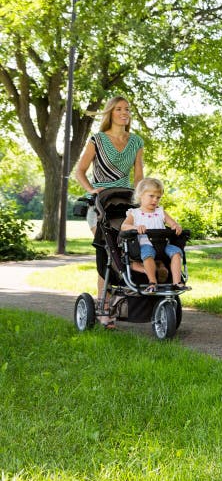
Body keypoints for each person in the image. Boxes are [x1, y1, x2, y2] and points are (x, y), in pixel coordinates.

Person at [75, 96, 145, 327]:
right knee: (108, 249)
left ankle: (121, 296)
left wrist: (142, 200)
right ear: (110, 113)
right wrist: (92, 191)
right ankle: (103, 303)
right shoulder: (98, 140)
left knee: (128, 250)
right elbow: (80, 171)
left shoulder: (136, 141)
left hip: (125, 206)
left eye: (127, 109)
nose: (124, 112)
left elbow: (138, 176)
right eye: (119, 109)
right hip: (100, 207)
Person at [120, 177, 186, 293]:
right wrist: (135, 227)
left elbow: (172, 223)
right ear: (141, 195)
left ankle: (177, 282)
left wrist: (176, 226)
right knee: (147, 253)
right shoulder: (134, 213)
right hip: (146, 245)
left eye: (158, 197)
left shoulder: (160, 212)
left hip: (163, 246)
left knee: (176, 252)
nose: (155, 200)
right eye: (151, 196)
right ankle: (152, 282)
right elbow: (124, 227)